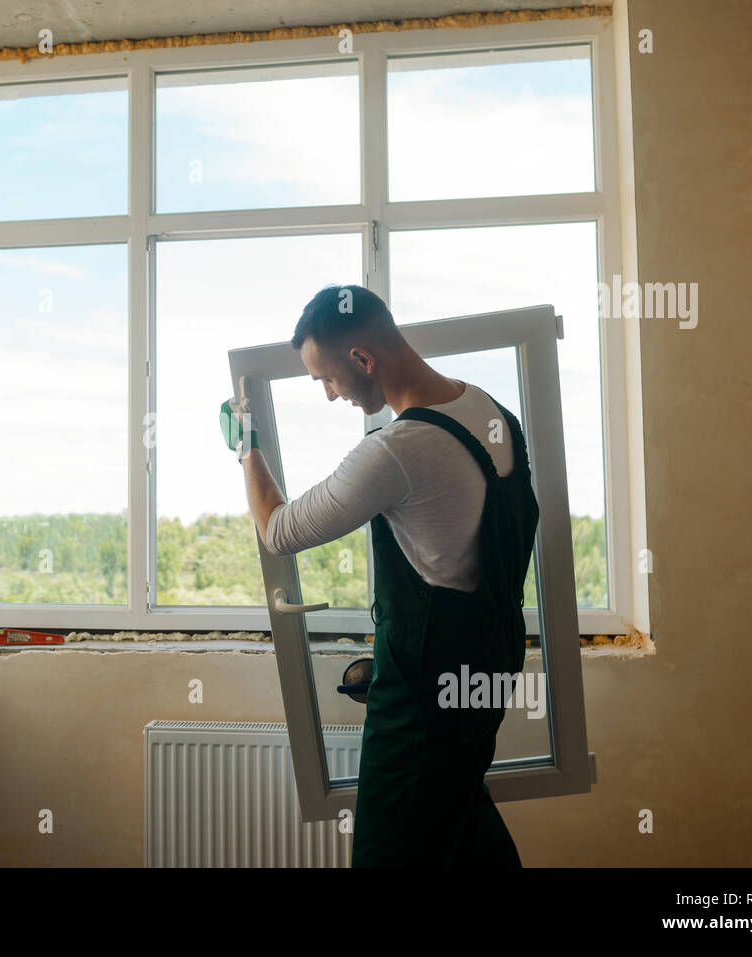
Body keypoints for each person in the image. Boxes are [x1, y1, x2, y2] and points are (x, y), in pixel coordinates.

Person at [220, 284, 539, 867]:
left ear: (363, 359)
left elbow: (280, 530)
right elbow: (462, 559)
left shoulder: (398, 448)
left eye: (327, 377)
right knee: (458, 820)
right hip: (485, 670)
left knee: (387, 853)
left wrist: (247, 450)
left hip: (426, 700)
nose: (328, 393)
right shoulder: (494, 413)